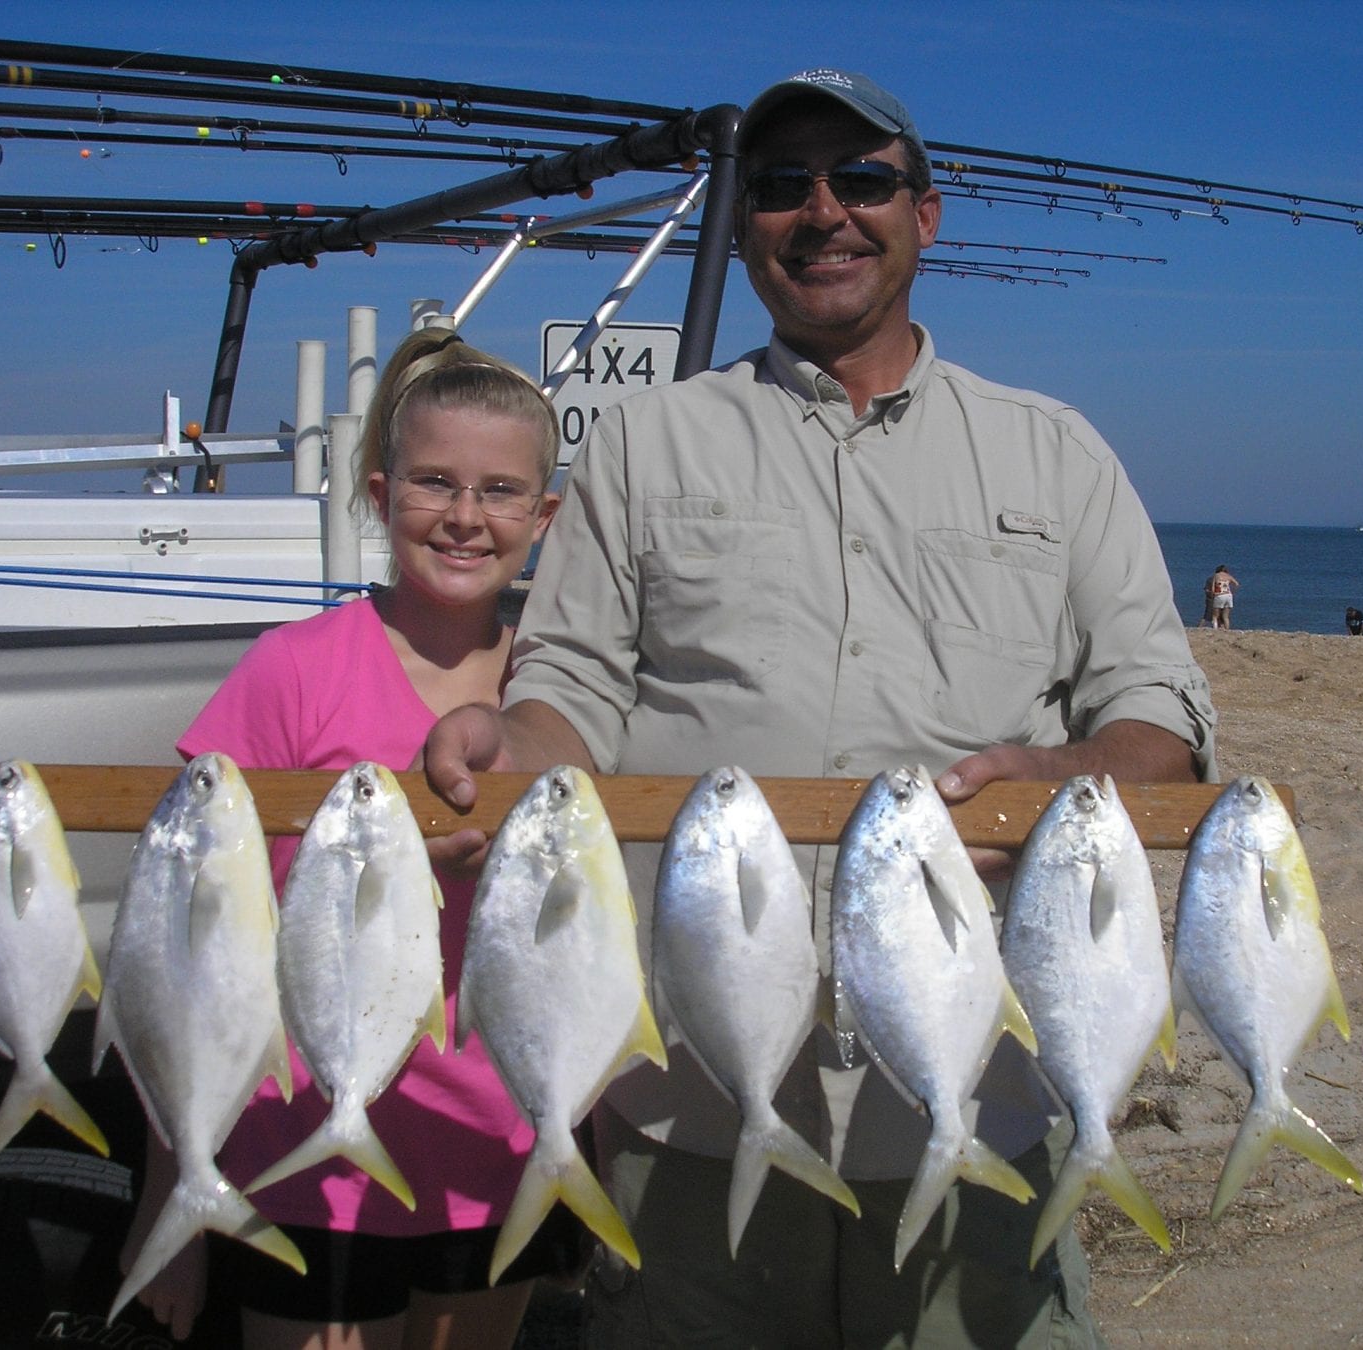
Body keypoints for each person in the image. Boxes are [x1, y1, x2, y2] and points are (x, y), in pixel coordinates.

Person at [424, 69, 1217, 1349]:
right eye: (783, 184)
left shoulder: (1058, 453)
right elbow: (570, 691)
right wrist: (505, 748)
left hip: (982, 1098)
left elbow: (1158, 722)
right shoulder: (639, 444)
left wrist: (1055, 775)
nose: (824, 210)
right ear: (742, 230)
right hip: (690, 1104)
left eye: (862, 179)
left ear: (926, 216)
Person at [125, 331, 574, 1349]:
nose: (465, 517)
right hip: (300, 1163)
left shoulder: (560, 696)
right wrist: (171, 1193)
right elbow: (183, 961)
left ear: (544, 516)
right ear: (379, 494)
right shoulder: (290, 672)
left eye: (501, 492)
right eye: (433, 482)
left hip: (503, 1158)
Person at [1206, 564, 1239, 629]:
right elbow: (1236, 584)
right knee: (1226, 616)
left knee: (1215, 615)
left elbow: (1213, 588)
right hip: (1228, 595)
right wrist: (1233, 591)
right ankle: (1227, 630)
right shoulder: (1228, 576)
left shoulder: (1216, 575)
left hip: (1219, 595)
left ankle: (1215, 629)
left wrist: (1212, 595)